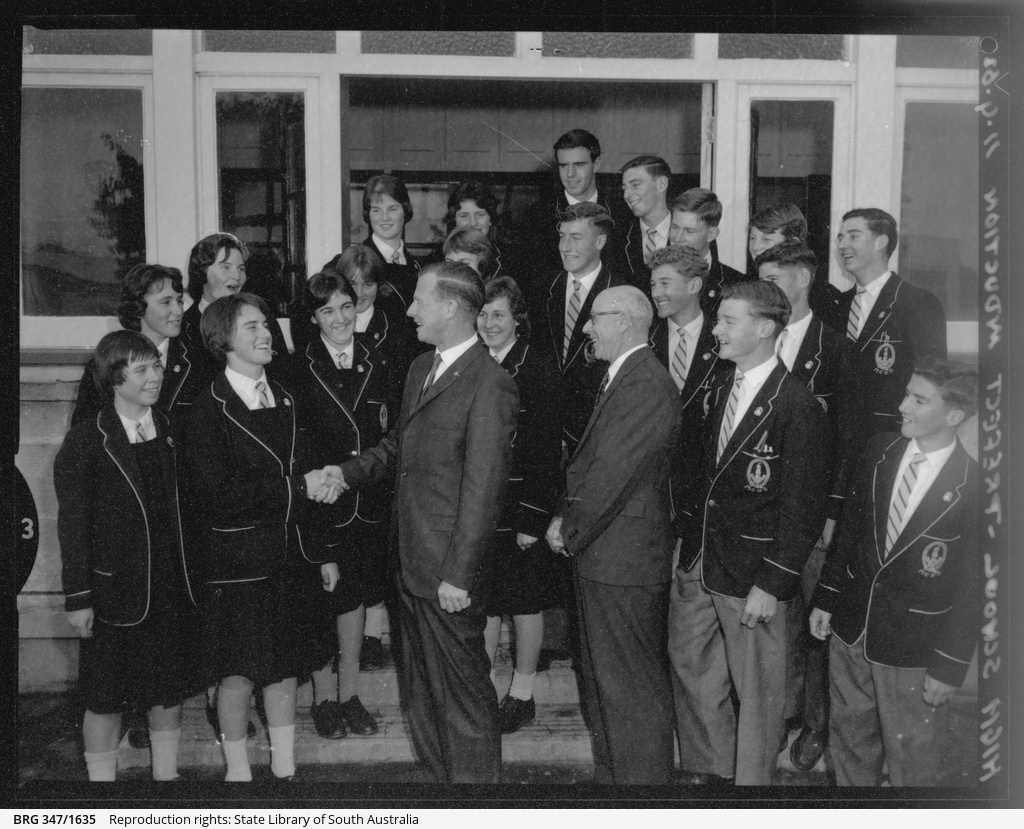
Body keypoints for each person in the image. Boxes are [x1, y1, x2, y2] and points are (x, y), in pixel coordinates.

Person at [335, 261, 519, 784]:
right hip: (410, 564)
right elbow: (398, 447)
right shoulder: (421, 367)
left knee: (463, 705)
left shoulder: (491, 383)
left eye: (419, 301)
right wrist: (343, 473)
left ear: (453, 308)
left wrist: (459, 574)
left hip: (448, 577)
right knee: (424, 701)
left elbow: (484, 491)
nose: (410, 311)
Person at [670, 280, 831, 785]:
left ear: (765, 329)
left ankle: (749, 793)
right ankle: (709, 776)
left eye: (727, 321)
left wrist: (774, 583)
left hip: (753, 574)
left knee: (758, 694)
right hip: (700, 559)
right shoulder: (720, 386)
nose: (715, 329)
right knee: (690, 666)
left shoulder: (798, 405)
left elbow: (803, 509)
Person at [184, 292, 342, 782]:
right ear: (222, 340)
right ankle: (237, 774)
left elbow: (308, 473)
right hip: (237, 564)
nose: (266, 334)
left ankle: (285, 765)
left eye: (266, 325)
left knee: (285, 669)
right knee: (236, 673)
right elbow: (218, 496)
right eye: (252, 327)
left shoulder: (290, 398)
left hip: (291, 558)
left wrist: (323, 555)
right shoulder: (204, 410)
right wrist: (299, 488)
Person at [810, 358, 978, 786]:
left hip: (913, 648)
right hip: (851, 627)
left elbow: (976, 586)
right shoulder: (879, 449)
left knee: (912, 758)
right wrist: (827, 597)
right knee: (848, 741)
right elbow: (849, 529)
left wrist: (949, 666)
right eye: (906, 393)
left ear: (954, 415)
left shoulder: (976, 486)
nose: (903, 405)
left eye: (919, 399)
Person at [545, 285, 680, 785]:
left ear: (624, 321)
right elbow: (591, 464)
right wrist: (565, 516)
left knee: (629, 689)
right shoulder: (622, 377)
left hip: (623, 561)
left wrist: (569, 526)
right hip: (605, 555)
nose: (586, 327)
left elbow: (612, 473)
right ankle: (615, 787)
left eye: (595, 318)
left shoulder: (645, 384)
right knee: (606, 685)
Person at [55, 330, 202, 781]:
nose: (155, 376)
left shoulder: (173, 431)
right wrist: (79, 598)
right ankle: (102, 793)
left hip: (169, 589)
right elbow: (72, 526)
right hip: (115, 593)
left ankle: (166, 781)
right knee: (104, 698)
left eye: (156, 365)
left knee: (166, 693)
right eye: (141, 370)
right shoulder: (85, 441)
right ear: (114, 379)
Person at [755, 240, 860, 771]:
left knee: (815, 625)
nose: (766, 287)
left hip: (815, 512)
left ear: (802, 279)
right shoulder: (755, 340)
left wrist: (833, 511)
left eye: (774, 277)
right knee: (775, 621)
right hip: (764, 508)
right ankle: (779, 716)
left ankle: (817, 724)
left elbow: (847, 441)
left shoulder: (836, 348)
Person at [289, 270, 399, 739]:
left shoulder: (381, 361)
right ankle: (322, 698)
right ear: (313, 318)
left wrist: (353, 477)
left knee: (354, 600)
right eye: (328, 310)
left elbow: (390, 433)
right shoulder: (295, 368)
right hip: (318, 505)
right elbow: (295, 442)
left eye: (347, 307)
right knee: (319, 602)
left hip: (366, 503)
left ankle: (350, 694)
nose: (340, 318)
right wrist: (324, 482)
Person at [476, 277, 564, 734]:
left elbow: (546, 449)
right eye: (484, 314)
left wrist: (533, 515)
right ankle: (486, 691)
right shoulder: (471, 363)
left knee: (524, 602)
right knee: (488, 602)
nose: (489, 323)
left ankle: (523, 692)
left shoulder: (536, 368)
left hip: (521, 507)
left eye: (499, 315)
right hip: (482, 506)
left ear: (517, 321)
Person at [646, 244, 730, 562]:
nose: (656, 292)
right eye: (653, 284)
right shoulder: (644, 340)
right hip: (653, 497)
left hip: (703, 499)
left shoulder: (725, 342)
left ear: (694, 285)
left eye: (665, 283)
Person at [836, 208, 947, 439]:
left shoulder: (918, 303)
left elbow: (932, 378)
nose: (842, 245)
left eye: (853, 236)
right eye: (840, 237)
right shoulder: (836, 306)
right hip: (839, 434)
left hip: (891, 434)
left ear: (880, 242)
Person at [534, 202, 629, 458]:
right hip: (544, 430)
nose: (565, 247)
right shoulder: (542, 289)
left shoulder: (620, 293)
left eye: (576, 238)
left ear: (600, 242)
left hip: (595, 434)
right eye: (562, 237)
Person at [73, 264, 199, 437]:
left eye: (179, 301)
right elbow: (83, 435)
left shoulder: (197, 360)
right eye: (165, 302)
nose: (178, 310)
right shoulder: (107, 361)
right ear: (138, 308)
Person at [180, 232, 289, 390]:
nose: (237, 276)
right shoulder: (184, 327)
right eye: (226, 267)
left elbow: (283, 377)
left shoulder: (263, 318)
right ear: (201, 272)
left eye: (241, 268)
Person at [524, 129, 627, 282]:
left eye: (579, 165)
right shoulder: (538, 215)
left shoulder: (621, 212)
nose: (570, 174)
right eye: (564, 165)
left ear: (597, 164)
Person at [748, 203, 844, 331]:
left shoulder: (824, 299)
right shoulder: (744, 286)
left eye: (766, 240)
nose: (755, 247)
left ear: (793, 242)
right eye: (752, 238)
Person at [669, 187, 747, 315]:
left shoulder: (737, 284)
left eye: (689, 231)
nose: (677, 238)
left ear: (711, 234)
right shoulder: (650, 276)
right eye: (675, 227)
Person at [362, 173, 421, 310]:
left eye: (392, 209)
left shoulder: (419, 266)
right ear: (368, 215)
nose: (384, 218)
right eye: (376, 210)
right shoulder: (353, 261)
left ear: (405, 211)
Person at [620, 154, 672, 290]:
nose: (626, 195)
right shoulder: (618, 237)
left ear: (662, 184)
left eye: (635, 185)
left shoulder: (689, 232)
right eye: (624, 188)